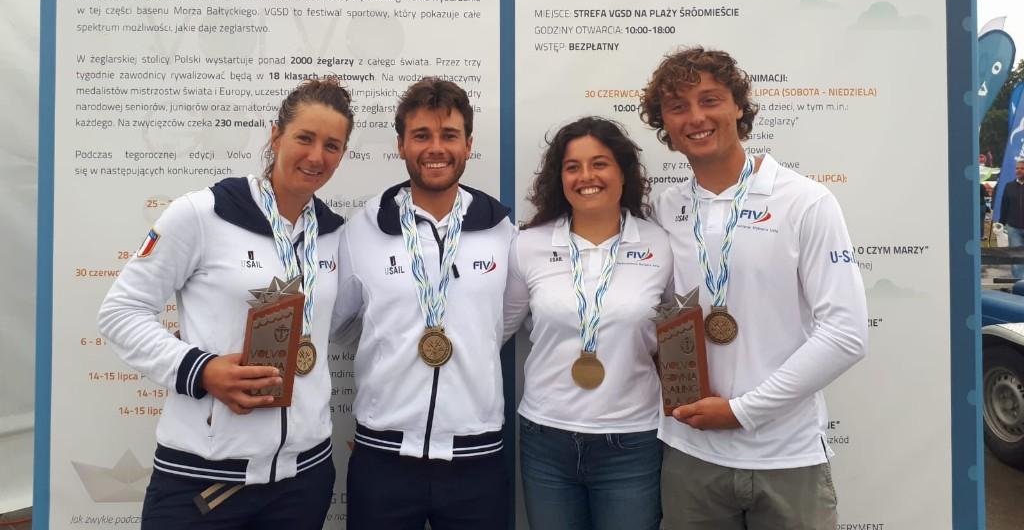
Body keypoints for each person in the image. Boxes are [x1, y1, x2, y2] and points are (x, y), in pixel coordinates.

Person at [97, 78, 354, 529]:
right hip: (203, 481)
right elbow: (120, 312)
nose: (317, 156)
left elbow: (347, 324)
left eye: (332, 145)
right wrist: (200, 369)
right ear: (275, 136)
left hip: (303, 478)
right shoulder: (202, 214)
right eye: (304, 138)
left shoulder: (334, 235)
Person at [639, 47, 868, 530]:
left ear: (739, 107)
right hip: (690, 455)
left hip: (787, 458)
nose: (696, 117)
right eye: (678, 106)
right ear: (664, 123)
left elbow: (846, 333)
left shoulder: (806, 202)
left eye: (710, 100)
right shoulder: (665, 207)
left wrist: (743, 412)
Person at [334, 77, 515, 530]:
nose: (436, 148)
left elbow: (503, 321)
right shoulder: (363, 229)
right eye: (422, 135)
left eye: (449, 135)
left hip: (476, 457)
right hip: (383, 458)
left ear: (469, 144)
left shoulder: (502, 230)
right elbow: (334, 322)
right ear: (401, 144)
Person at [503, 117, 672, 530]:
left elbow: (678, 336)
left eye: (600, 163)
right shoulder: (529, 246)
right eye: (572, 166)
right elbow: (494, 331)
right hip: (546, 439)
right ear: (559, 177)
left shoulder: (661, 244)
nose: (586, 177)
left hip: (632, 441)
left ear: (622, 172)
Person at [998, 159, 1024, 279]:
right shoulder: (1009, 186)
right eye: (1017, 168)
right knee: (1016, 256)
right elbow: (1004, 205)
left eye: (1022, 168)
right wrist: (1001, 224)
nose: (1018, 170)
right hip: (1014, 228)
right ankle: (1019, 282)